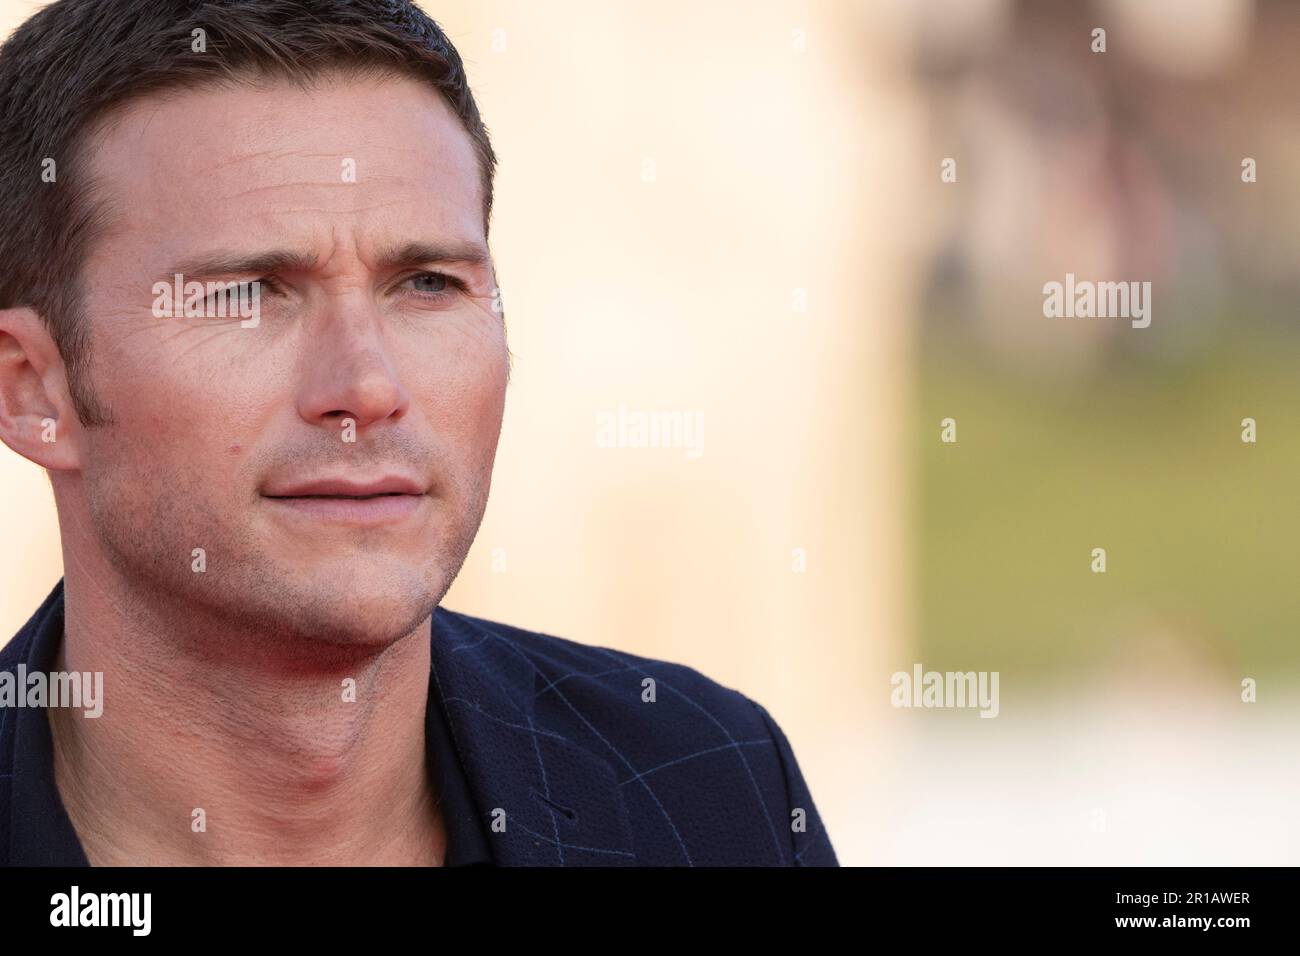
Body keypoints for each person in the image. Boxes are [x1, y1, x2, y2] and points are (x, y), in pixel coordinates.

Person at [0, 0, 837, 867]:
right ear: (33, 388)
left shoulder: (705, 788)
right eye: (246, 294)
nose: (367, 386)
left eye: (429, 285)